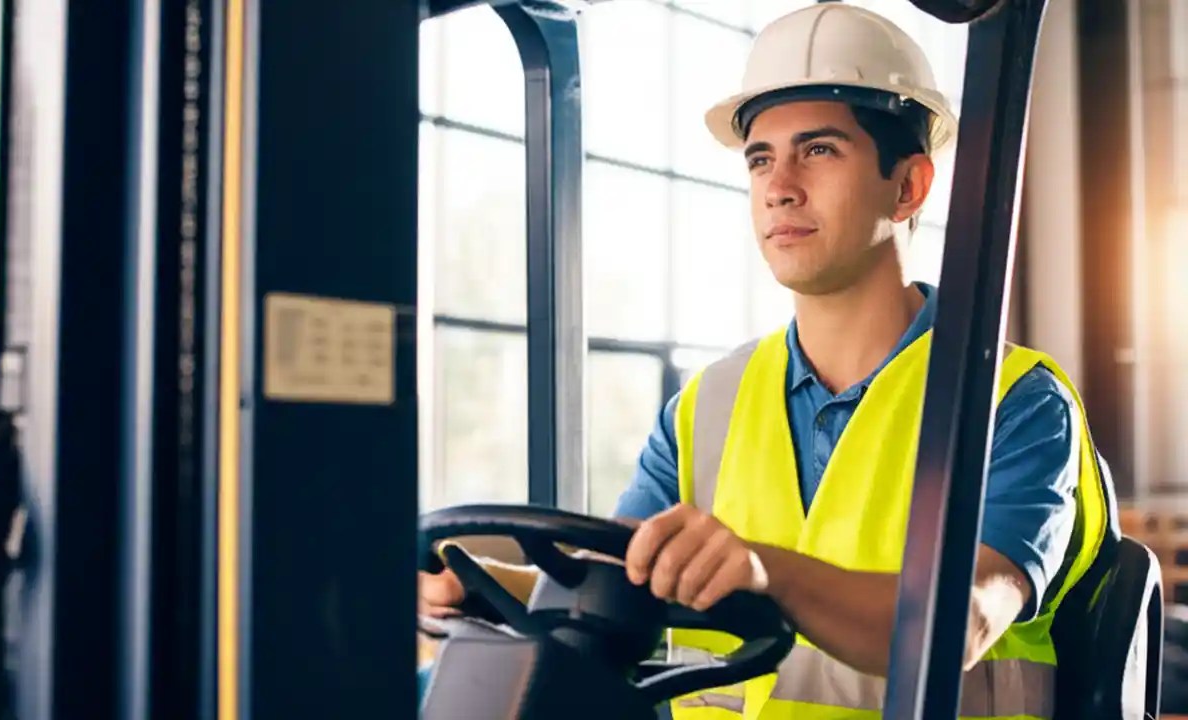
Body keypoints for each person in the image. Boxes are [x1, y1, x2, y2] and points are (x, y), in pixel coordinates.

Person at [419, 4, 1107, 719]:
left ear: (907, 187)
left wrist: (765, 571)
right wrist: (480, 584)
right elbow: (611, 582)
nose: (779, 184)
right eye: (760, 159)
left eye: (818, 150)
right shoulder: (705, 406)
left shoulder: (1014, 400)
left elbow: (962, 621)